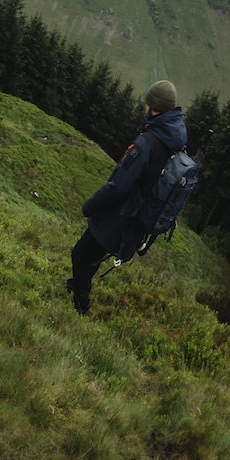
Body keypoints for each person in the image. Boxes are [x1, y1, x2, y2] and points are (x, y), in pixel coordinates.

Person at [66, 80, 187, 316]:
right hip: (137, 221)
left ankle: (80, 308)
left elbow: (117, 186)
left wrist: (89, 206)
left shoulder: (146, 143)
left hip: (119, 217)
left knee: (80, 255)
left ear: (153, 107)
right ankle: (78, 287)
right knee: (91, 255)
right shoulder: (176, 139)